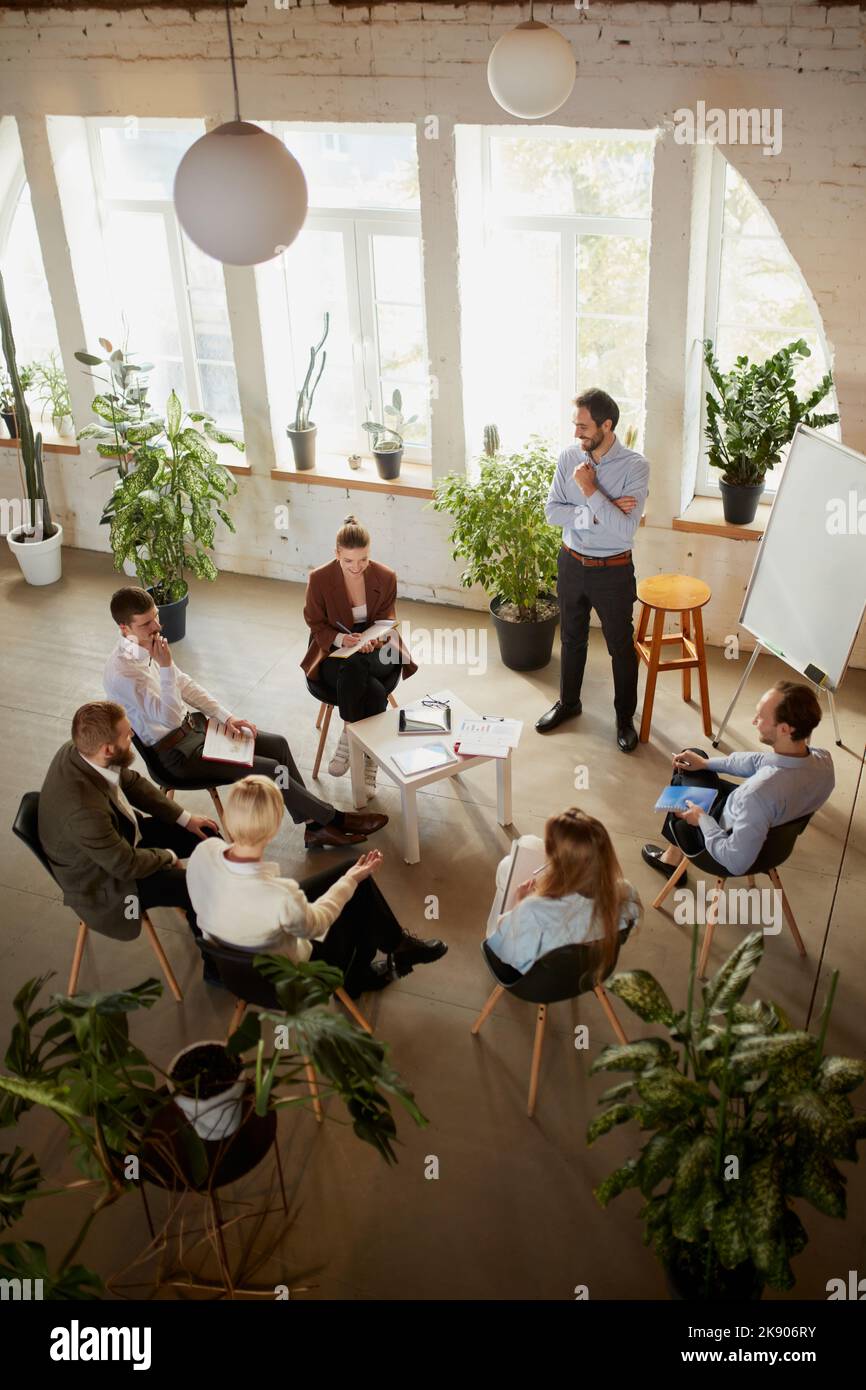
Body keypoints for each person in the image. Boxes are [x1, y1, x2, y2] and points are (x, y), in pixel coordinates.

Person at [103, 586, 386, 850]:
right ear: (124, 628)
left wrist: (226, 717)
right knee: (271, 769)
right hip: (177, 757)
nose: (157, 627)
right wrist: (165, 668)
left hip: (196, 732)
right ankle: (334, 819)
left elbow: (184, 684)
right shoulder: (124, 674)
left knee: (278, 745)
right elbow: (169, 717)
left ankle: (314, 826)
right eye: (146, 624)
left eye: (156, 617)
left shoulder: (147, 645)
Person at [186, 775, 447, 998]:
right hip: (286, 977)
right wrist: (350, 882)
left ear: (228, 817)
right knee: (355, 899)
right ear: (275, 826)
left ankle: (396, 948)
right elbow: (317, 923)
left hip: (230, 962)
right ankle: (363, 974)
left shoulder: (203, 853)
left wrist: (350, 877)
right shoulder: (281, 895)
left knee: (351, 875)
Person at [38, 700, 215, 945]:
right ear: (108, 750)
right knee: (195, 887)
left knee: (207, 835)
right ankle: (215, 958)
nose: (133, 734)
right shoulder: (84, 812)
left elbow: (131, 782)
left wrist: (185, 819)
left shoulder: (82, 749)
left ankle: (220, 907)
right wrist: (168, 856)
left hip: (121, 837)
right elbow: (126, 865)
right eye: (126, 734)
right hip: (109, 881)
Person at [536, 388, 649, 753]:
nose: (576, 435)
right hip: (571, 562)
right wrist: (605, 507)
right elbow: (552, 513)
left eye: (583, 427)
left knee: (620, 647)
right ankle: (569, 703)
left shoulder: (635, 466)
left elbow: (625, 530)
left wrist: (588, 489)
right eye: (575, 426)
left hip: (612, 570)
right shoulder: (569, 456)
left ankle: (623, 718)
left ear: (606, 425)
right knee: (571, 638)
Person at [642, 682, 835, 880]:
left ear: (785, 729)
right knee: (694, 758)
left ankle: (671, 860)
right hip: (774, 839)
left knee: (681, 776)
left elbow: (735, 863)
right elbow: (759, 761)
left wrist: (702, 820)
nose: (754, 721)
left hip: (726, 838)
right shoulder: (824, 762)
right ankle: (673, 855)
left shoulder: (756, 794)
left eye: (760, 717)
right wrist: (705, 763)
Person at [302, 514, 418, 794]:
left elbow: (386, 620)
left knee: (358, 665)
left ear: (370, 553)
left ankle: (349, 733)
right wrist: (343, 638)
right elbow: (316, 622)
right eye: (348, 561)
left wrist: (371, 640)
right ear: (337, 554)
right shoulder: (319, 579)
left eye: (363, 559)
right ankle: (368, 758)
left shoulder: (386, 576)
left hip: (377, 648)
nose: (357, 567)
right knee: (369, 684)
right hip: (335, 650)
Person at [486, 808, 641, 978]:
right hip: (590, 967)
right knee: (528, 841)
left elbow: (509, 951)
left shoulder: (532, 909)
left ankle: (490, 930)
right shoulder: (624, 892)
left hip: (537, 975)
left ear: (563, 865)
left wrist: (520, 902)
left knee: (507, 866)